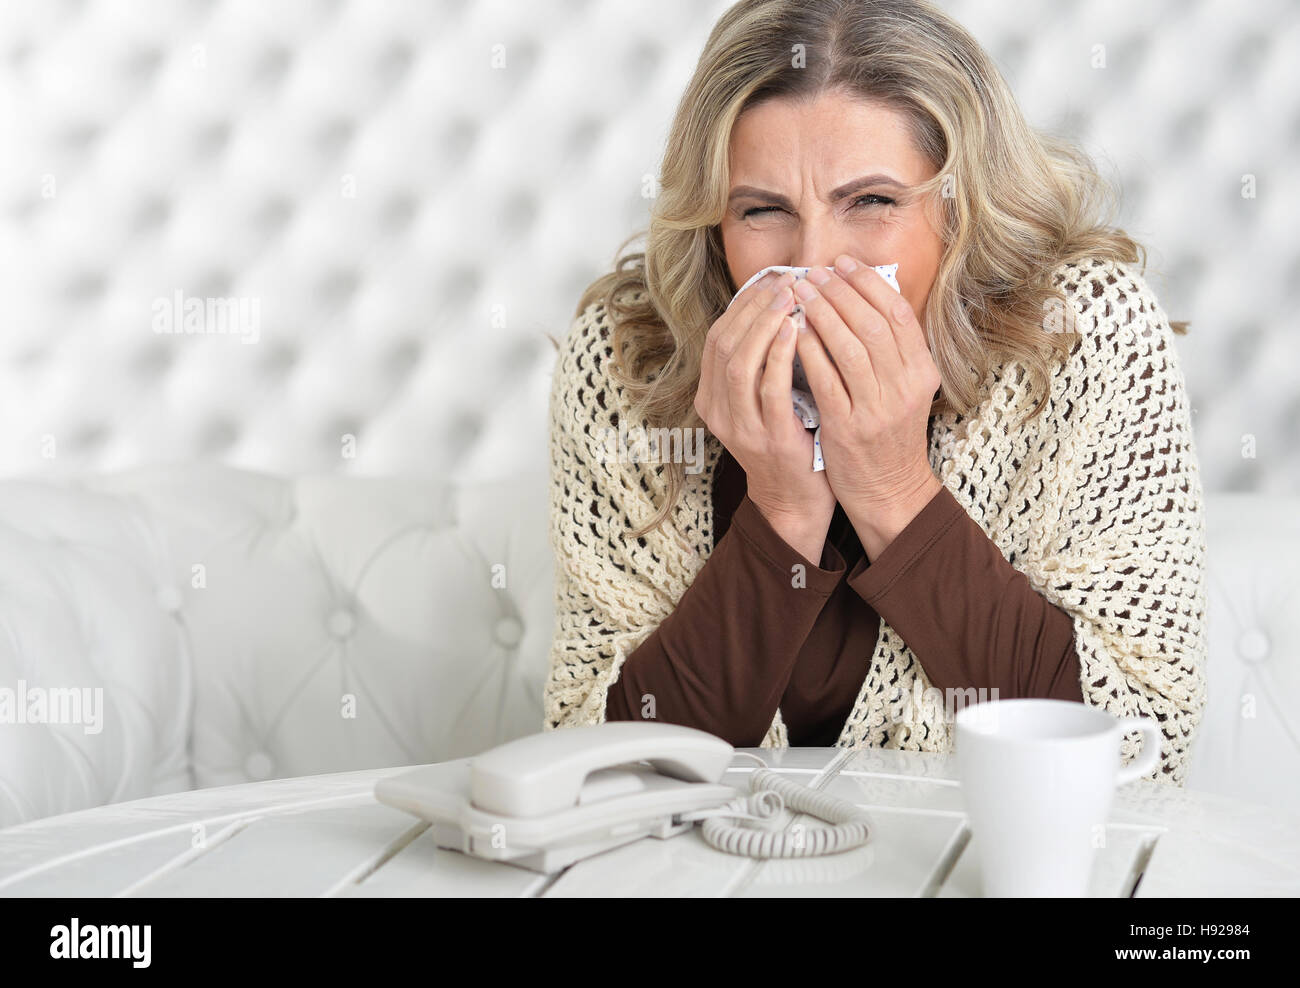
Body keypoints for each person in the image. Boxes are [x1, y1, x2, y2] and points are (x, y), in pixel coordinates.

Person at [543, 0, 1206, 785]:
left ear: (959, 207)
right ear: (713, 226)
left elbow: (1138, 750)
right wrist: (783, 511)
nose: (816, 260)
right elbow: (595, 763)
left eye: (873, 202)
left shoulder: (1086, 335)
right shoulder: (627, 364)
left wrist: (892, 486)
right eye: (763, 210)